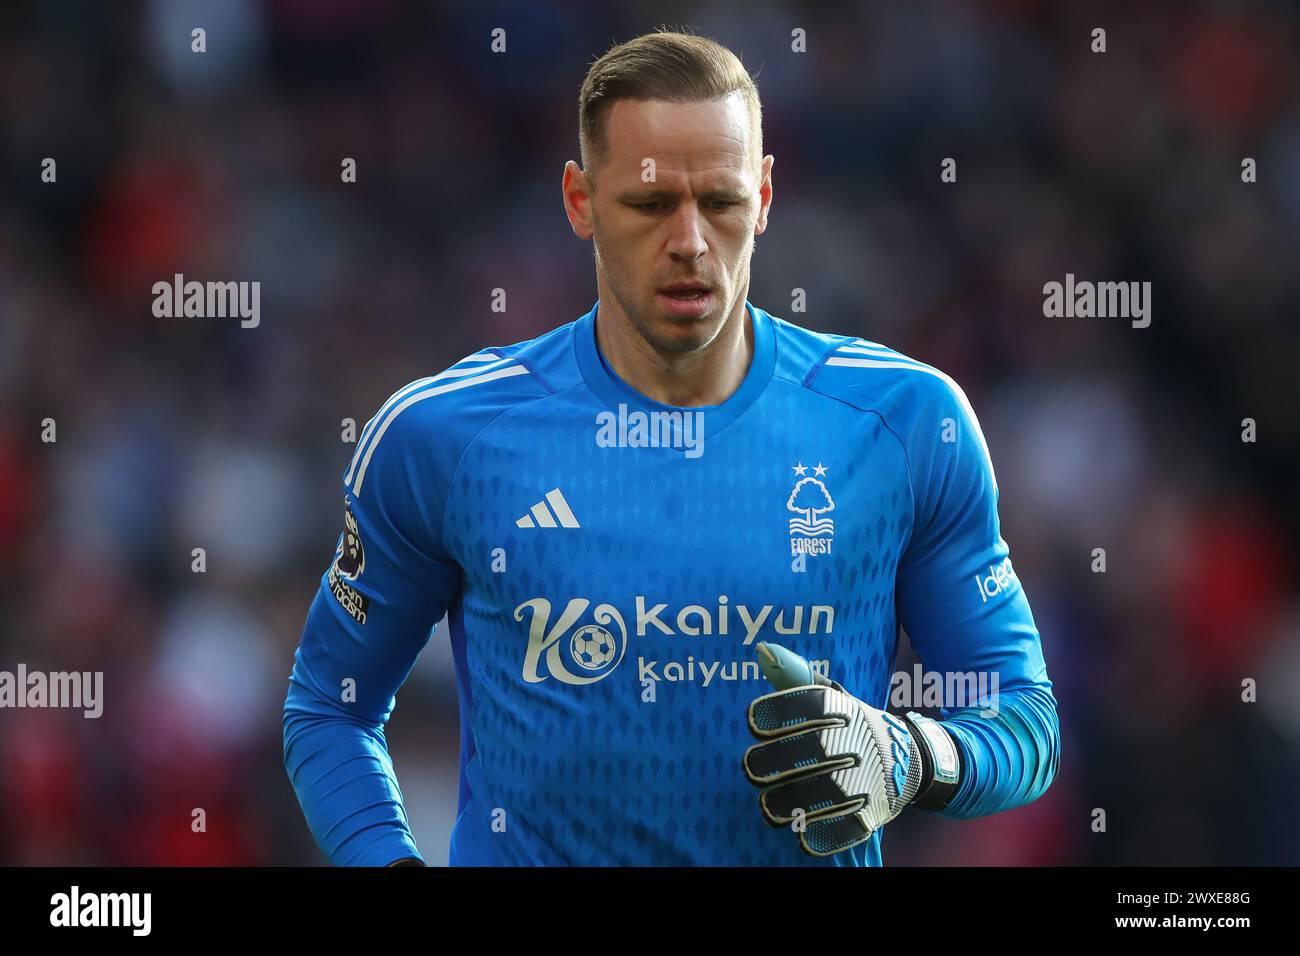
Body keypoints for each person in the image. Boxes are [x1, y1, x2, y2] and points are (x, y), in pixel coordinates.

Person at [283, 29, 1059, 866]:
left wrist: (913, 758)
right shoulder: (444, 437)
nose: (689, 240)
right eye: (651, 205)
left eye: (720, 202)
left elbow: (1022, 717)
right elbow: (331, 705)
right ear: (579, 201)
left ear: (763, 196)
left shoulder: (905, 425)